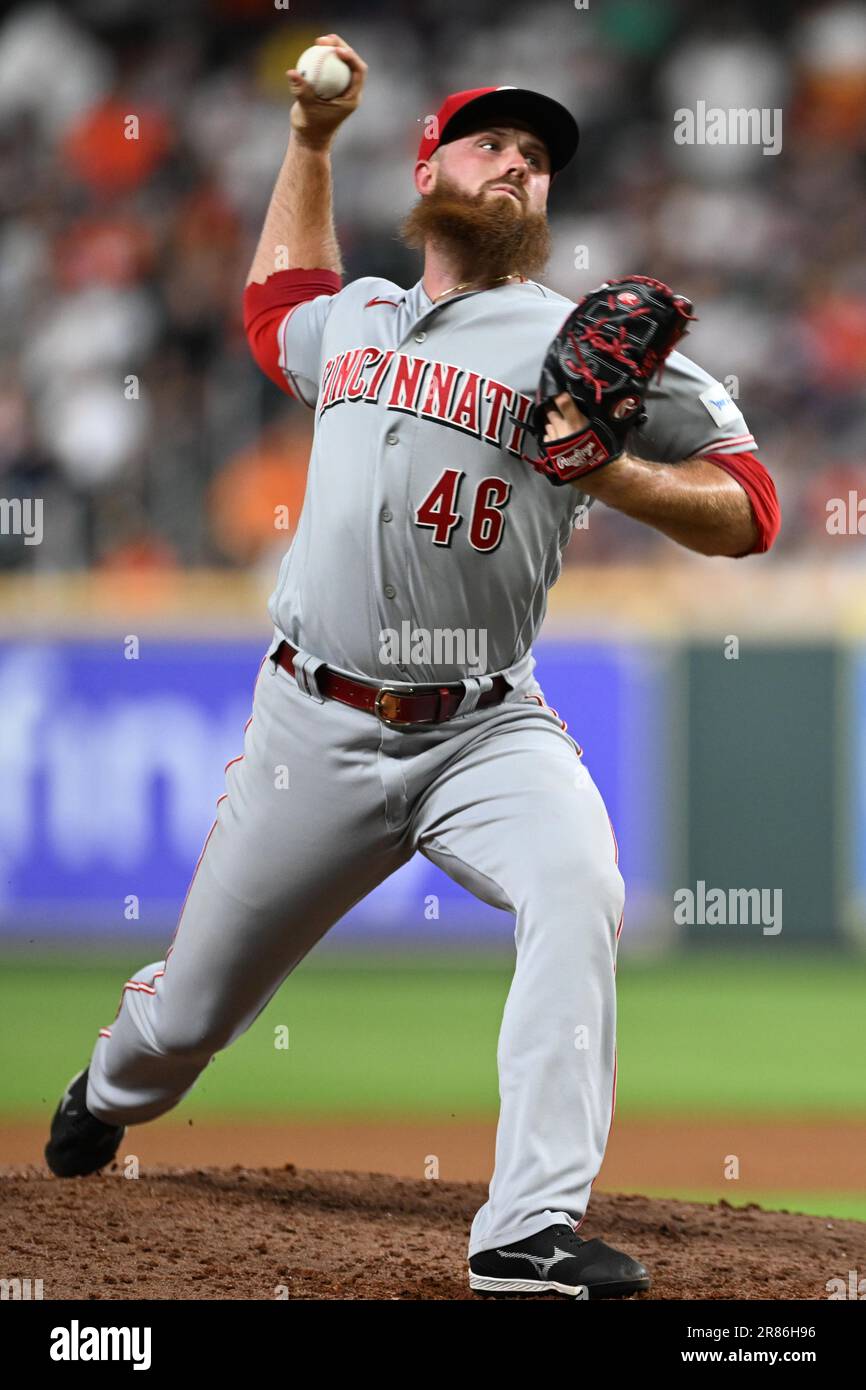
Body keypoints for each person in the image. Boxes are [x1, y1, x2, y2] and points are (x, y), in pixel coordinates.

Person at [45, 33, 780, 1300]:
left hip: (485, 728)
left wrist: (614, 470)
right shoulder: (361, 318)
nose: (517, 168)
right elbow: (274, 305)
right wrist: (311, 143)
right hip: (308, 729)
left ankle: (524, 1230)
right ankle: (109, 1087)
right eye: (490, 143)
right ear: (431, 167)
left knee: (579, 883)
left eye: (539, 159)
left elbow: (753, 506)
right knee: (179, 1028)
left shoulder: (577, 341)